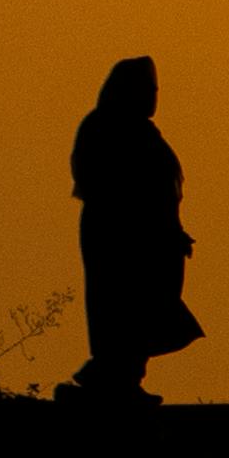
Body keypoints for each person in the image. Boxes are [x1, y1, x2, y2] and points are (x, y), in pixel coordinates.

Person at [68, 55, 203, 401]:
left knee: (144, 310)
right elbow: (108, 184)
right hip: (120, 237)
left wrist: (172, 230)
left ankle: (124, 379)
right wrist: (146, 223)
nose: (154, 97)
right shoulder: (105, 127)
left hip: (149, 237)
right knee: (120, 306)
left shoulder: (139, 130)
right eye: (148, 89)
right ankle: (111, 378)